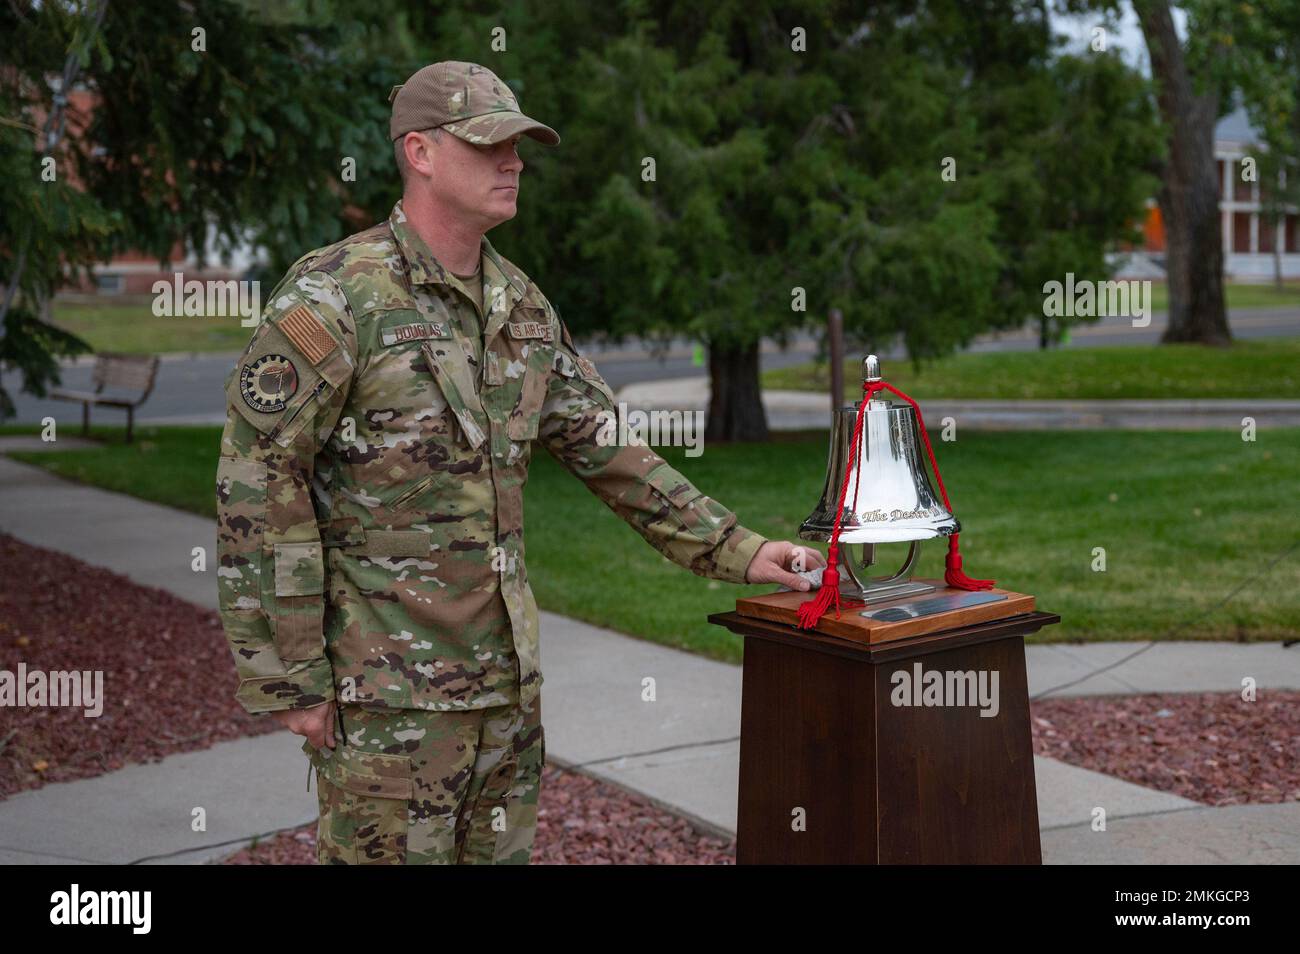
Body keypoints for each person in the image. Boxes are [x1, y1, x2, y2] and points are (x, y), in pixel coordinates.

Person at [214, 60, 822, 865]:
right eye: (489, 143)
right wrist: (290, 677)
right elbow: (259, 480)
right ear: (420, 152)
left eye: (520, 145)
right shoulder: (336, 296)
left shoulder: (520, 307)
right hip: (388, 701)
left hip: (506, 695)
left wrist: (741, 549)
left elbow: (612, 453)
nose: (514, 162)